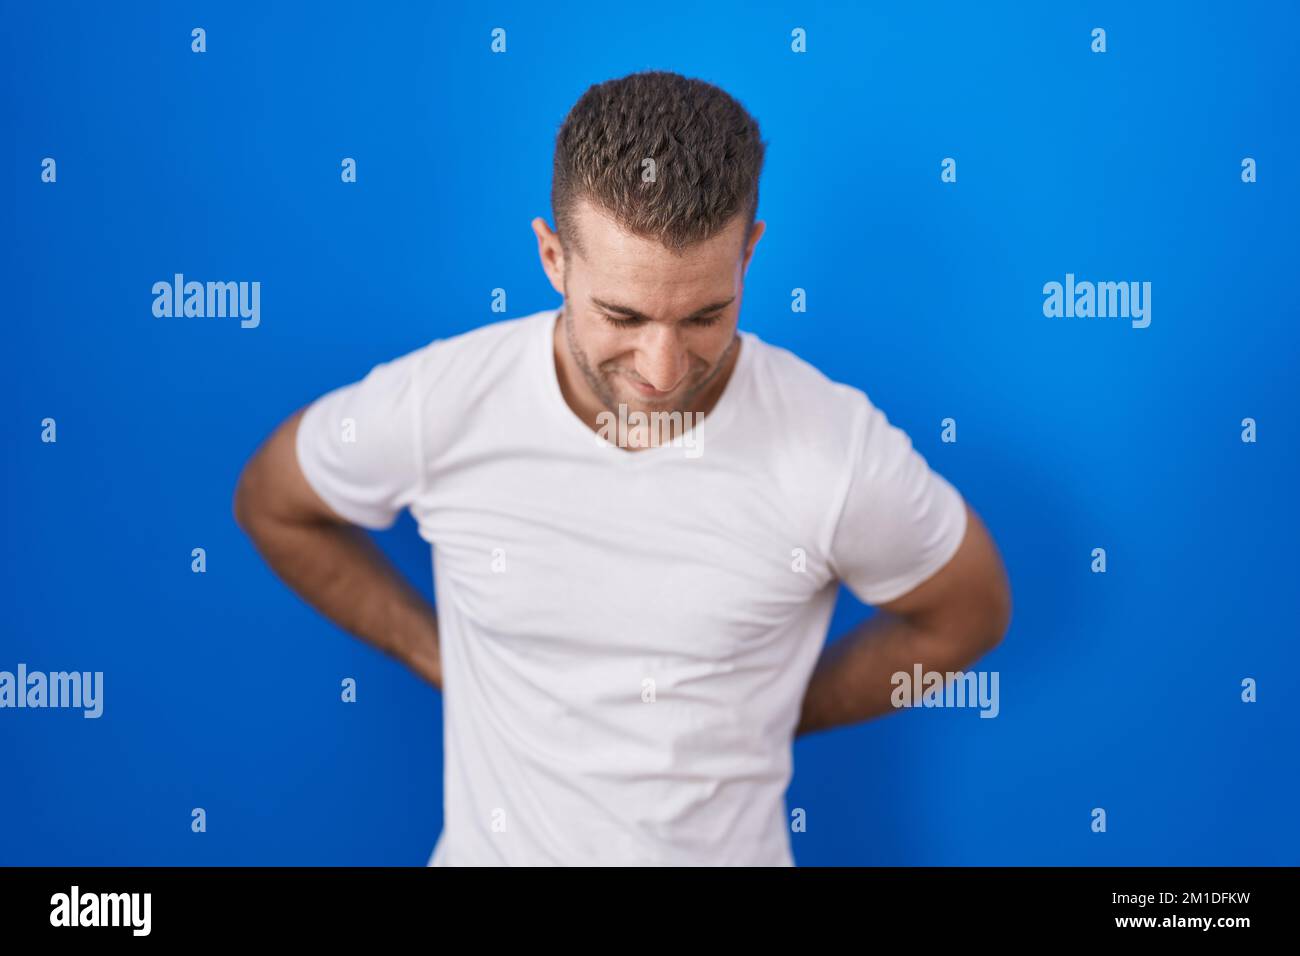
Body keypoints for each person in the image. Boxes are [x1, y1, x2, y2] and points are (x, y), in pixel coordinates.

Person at [233, 70, 1012, 866]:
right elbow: (271, 499)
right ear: (552, 258)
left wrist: (770, 712)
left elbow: (970, 611)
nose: (663, 368)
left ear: (749, 254)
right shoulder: (441, 406)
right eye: (622, 315)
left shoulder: (837, 453)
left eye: (705, 314)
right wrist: (437, 657)